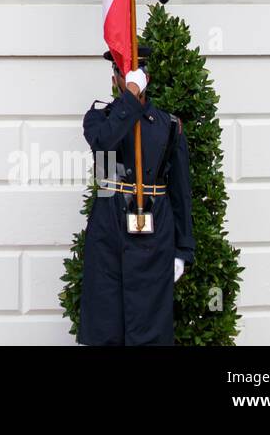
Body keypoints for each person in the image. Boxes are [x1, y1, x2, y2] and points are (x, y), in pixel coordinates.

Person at [77, 47, 195, 346]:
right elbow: (104, 144)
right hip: (110, 230)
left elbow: (181, 193)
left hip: (154, 233)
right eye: (121, 74)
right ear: (115, 78)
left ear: (147, 77)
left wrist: (183, 250)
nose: (124, 78)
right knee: (106, 327)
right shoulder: (100, 117)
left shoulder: (170, 125)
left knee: (150, 329)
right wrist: (130, 96)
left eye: (135, 75)